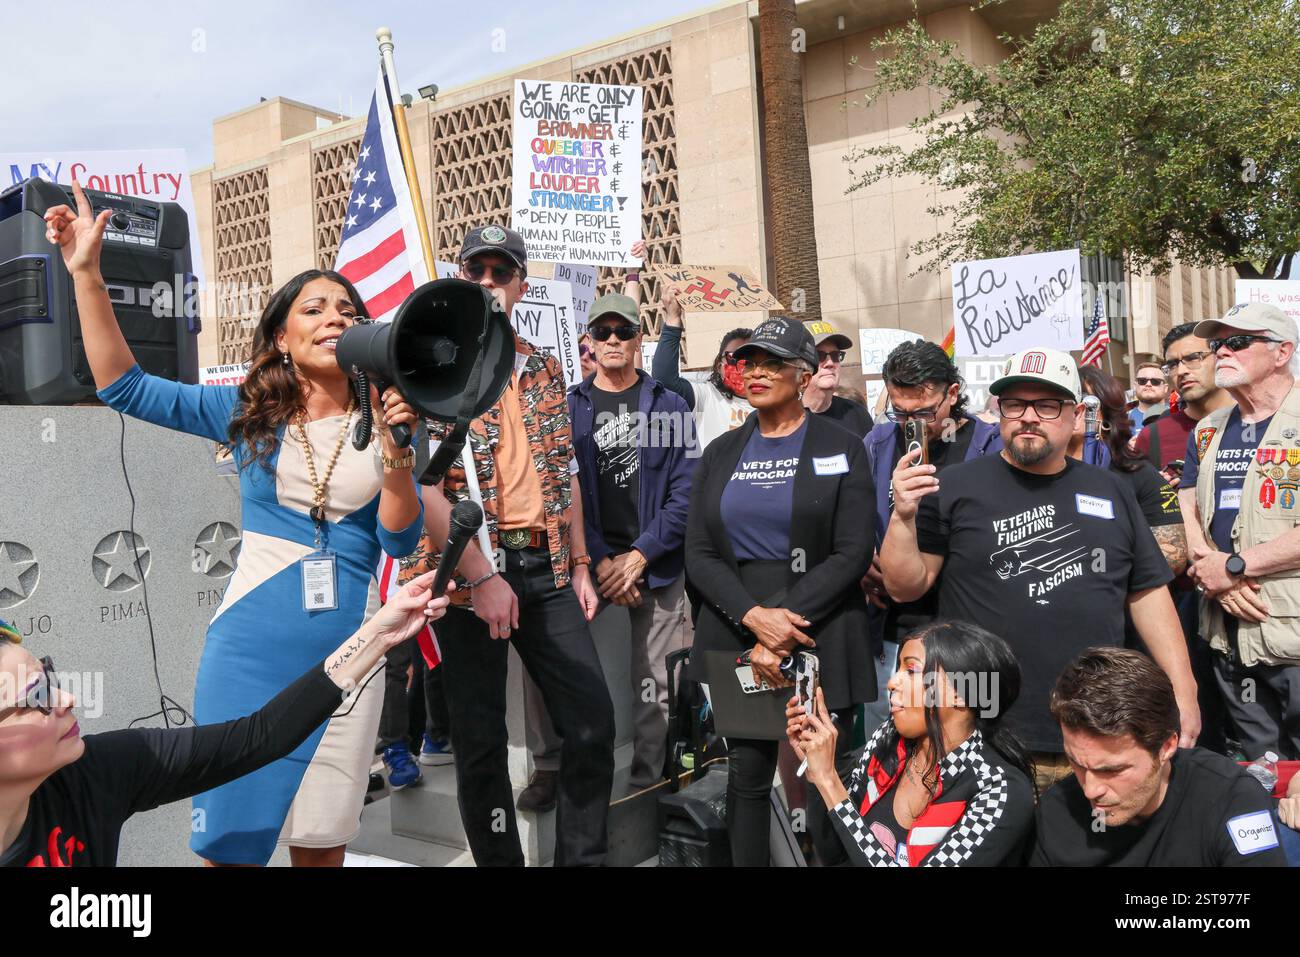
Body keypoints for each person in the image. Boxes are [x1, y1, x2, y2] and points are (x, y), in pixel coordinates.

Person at [45, 181, 425, 867]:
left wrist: (399, 449)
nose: (333, 316)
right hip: (247, 660)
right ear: (283, 334)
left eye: (347, 308)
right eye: (314, 307)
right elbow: (124, 386)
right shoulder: (249, 414)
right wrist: (86, 274)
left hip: (354, 658)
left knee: (321, 846)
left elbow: (399, 539)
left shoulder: (390, 419)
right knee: (229, 847)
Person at [881, 347, 1201, 794]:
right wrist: (903, 516)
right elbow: (904, 586)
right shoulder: (951, 487)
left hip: (1093, 728)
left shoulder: (1110, 490)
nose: (1029, 416)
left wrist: (1184, 690)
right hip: (982, 729)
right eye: (1015, 404)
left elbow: (1147, 593)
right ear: (1000, 412)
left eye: (1047, 405)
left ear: (1074, 414)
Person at [403, 223, 615, 866]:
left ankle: (579, 860)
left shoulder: (544, 364)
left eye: (503, 272)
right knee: (479, 741)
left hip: (545, 566)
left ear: (521, 284)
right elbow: (422, 489)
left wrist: (579, 561)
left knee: (593, 723)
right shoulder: (434, 364)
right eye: (478, 271)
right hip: (466, 574)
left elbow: (566, 474)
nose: (490, 283)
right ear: (461, 278)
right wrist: (477, 577)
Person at [0, 574, 450, 867]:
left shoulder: (94, 774)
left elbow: (263, 736)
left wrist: (377, 635)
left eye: (50, 675)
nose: (68, 698)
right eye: (35, 697)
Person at [685, 317, 874, 865]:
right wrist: (753, 618)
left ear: (804, 373)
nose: (757, 373)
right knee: (746, 776)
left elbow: (852, 551)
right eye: (749, 363)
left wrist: (782, 625)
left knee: (822, 773)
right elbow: (699, 552)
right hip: (735, 622)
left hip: (819, 625)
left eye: (773, 363)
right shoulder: (720, 451)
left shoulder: (844, 446)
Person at [567, 293, 698, 789]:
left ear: (639, 337)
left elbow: (687, 492)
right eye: (604, 333)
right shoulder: (570, 406)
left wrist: (639, 556)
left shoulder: (670, 404)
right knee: (563, 671)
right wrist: (601, 560)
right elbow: (562, 487)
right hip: (589, 565)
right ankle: (561, 770)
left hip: (657, 564)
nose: (614, 340)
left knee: (657, 684)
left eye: (623, 331)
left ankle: (649, 783)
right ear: (590, 342)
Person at [790, 620, 1035, 866]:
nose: (892, 682)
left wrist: (829, 780)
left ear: (960, 694)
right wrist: (817, 771)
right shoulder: (889, 740)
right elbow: (835, 852)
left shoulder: (999, 790)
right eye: (899, 668)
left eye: (911, 670)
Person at [1031, 647, 1287, 866]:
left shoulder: (1232, 799)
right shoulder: (1057, 812)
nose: (1090, 789)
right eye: (1076, 764)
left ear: (1167, 746)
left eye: (1111, 770)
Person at [1179, 302, 1300, 761]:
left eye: (1237, 342)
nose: (1220, 353)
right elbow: (1188, 505)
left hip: (1290, 633)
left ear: (1281, 351)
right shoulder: (1207, 430)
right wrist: (1211, 569)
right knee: (1260, 770)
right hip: (1228, 634)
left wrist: (1233, 567)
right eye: (1217, 344)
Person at [861, 341, 1002, 729]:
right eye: (900, 412)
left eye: (924, 411)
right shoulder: (876, 444)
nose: (912, 424)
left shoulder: (989, 445)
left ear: (952, 394)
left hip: (965, 633)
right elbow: (850, 515)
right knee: (891, 747)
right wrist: (861, 561)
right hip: (893, 630)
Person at [1070, 365, 1186, 576]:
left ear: (1106, 409)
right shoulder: (1036, 472)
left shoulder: (1137, 472)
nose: (1076, 407)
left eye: (1087, 399)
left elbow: (1174, 556)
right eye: (1067, 399)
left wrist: (1109, 572)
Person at [651, 286, 751, 448]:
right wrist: (673, 317)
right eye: (733, 358)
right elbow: (664, 380)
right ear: (720, 366)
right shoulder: (707, 397)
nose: (741, 366)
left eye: (749, 359)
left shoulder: (774, 403)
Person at [1135, 323, 1233, 480]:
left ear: (1219, 356)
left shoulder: (1257, 423)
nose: (1181, 371)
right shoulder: (1152, 436)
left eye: (1193, 358)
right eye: (1172, 365)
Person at [801, 320, 873, 437]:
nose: (830, 363)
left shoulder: (857, 414)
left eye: (835, 356)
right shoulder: (782, 418)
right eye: (819, 356)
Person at [1127, 360, 1170, 435]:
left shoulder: (1178, 415)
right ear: (1135, 386)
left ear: (1165, 388)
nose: (1148, 384)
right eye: (1142, 381)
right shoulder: (1124, 419)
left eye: (1155, 381)